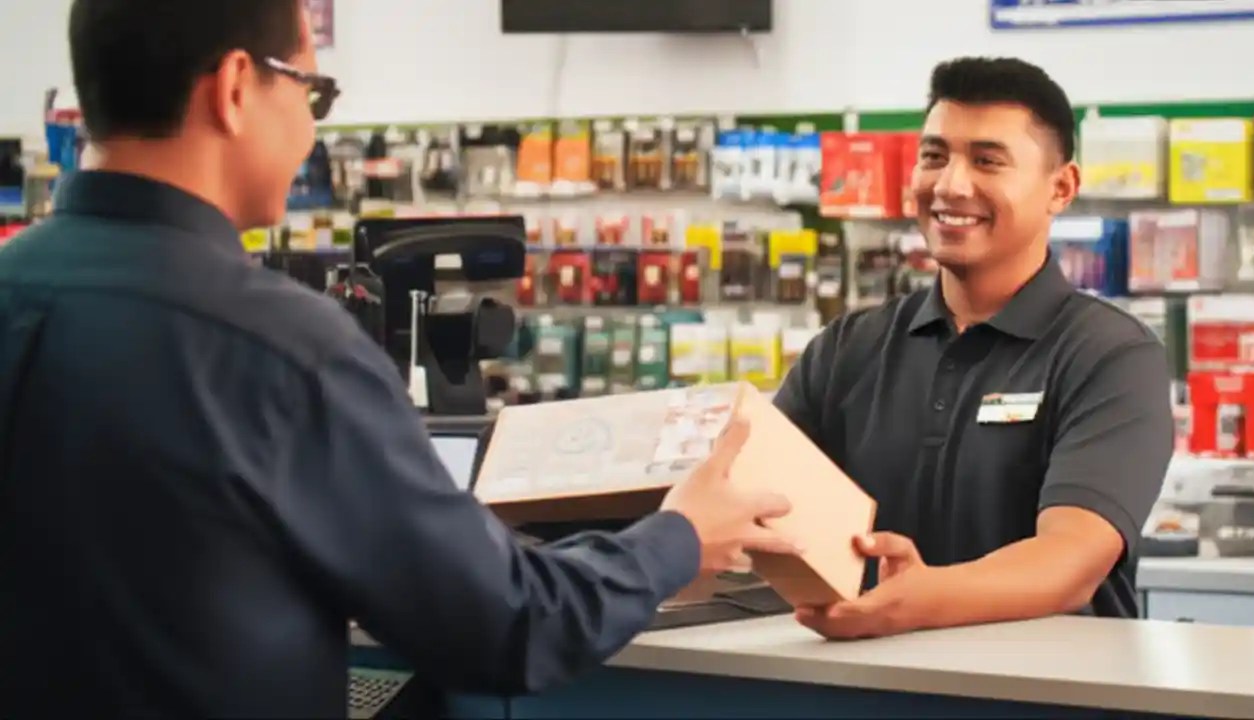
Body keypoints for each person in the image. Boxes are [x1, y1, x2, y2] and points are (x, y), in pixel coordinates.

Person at [0, 1, 797, 716]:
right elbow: (505, 625)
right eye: (313, 92)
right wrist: (679, 534)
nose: (313, 127)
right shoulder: (284, 351)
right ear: (236, 88)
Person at [775, 57, 1175, 640]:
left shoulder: (1111, 356)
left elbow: (1069, 562)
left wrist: (915, 599)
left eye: (987, 160)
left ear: (1060, 188)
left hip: (1053, 698)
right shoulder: (846, 349)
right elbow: (752, 504)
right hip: (865, 689)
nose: (950, 184)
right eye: (934, 156)